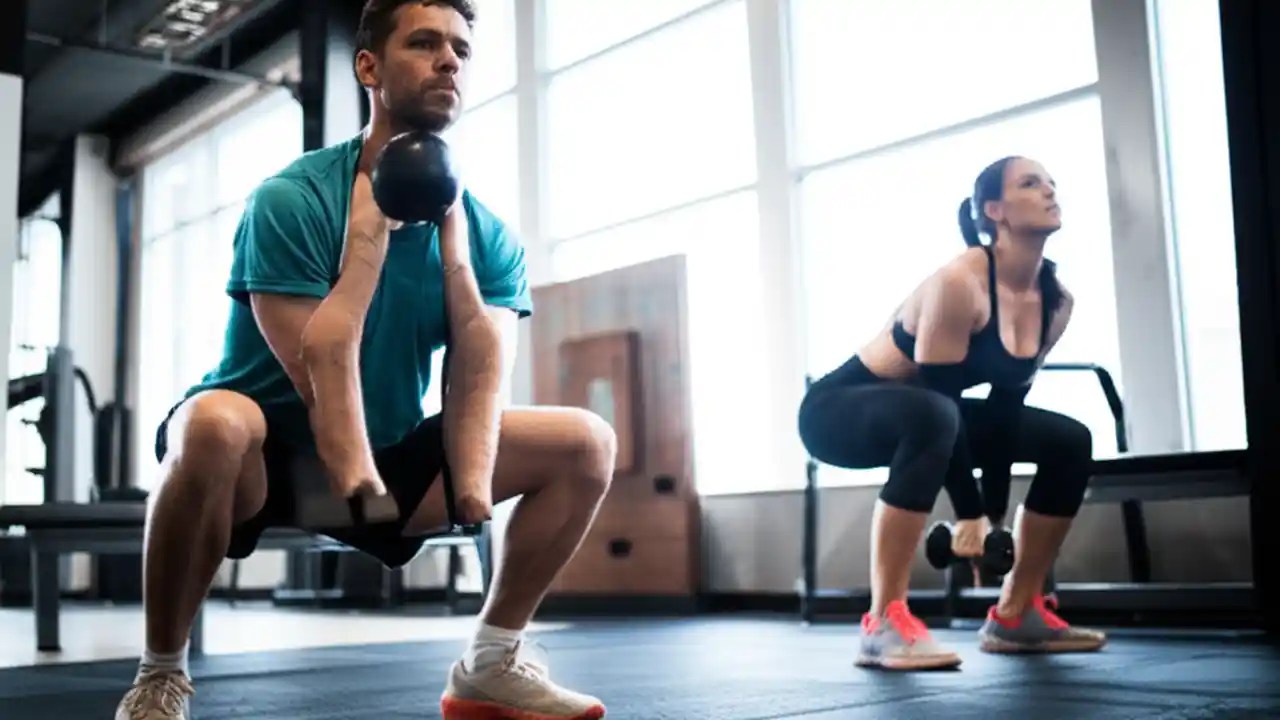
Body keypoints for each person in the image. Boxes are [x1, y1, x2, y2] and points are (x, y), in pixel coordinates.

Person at [115, 2, 613, 719]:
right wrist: (369, 245)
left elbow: (478, 376)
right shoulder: (294, 200)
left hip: (379, 466)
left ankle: (491, 660)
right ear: (369, 66)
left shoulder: (488, 236)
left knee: (584, 443)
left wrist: (456, 271)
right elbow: (314, 375)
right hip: (263, 460)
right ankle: (161, 674)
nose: (450, 60)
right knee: (214, 423)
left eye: (462, 49)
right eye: (425, 43)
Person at [796, 155, 1108, 671]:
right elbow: (942, 404)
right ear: (994, 210)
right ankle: (883, 621)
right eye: (1031, 184)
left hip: (932, 417)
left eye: (1052, 182)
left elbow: (1006, 411)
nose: (1051, 191)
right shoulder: (958, 284)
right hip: (838, 415)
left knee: (1069, 440)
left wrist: (993, 520)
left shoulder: (1055, 302)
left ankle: (1017, 610)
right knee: (934, 412)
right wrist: (969, 516)